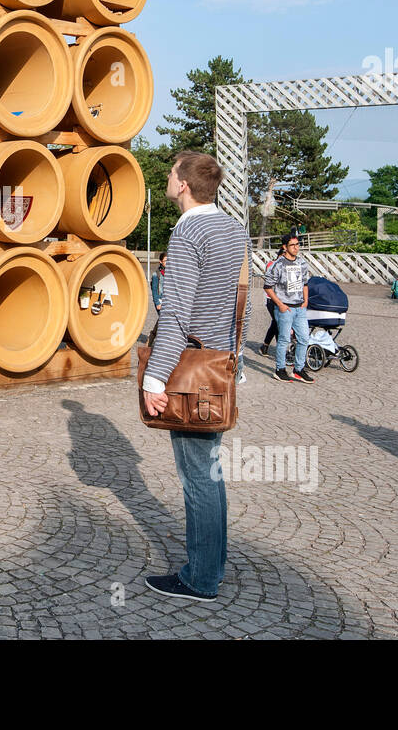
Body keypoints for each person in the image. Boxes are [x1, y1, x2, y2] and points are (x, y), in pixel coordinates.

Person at [142, 151, 250, 603]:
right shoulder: (234, 228)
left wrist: (154, 377)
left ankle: (200, 578)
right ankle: (213, 564)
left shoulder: (188, 231)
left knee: (198, 478)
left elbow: (177, 312)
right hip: (217, 362)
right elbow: (239, 299)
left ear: (183, 184)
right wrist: (235, 362)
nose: (168, 179)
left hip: (189, 370)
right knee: (211, 473)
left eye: (170, 174)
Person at [264, 232, 313, 383]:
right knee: (284, 340)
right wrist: (280, 304)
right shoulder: (278, 264)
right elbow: (267, 287)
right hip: (285, 308)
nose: (295, 248)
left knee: (304, 338)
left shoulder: (302, 263)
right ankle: (280, 369)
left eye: (297, 244)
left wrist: (305, 301)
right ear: (285, 247)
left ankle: (298, 369)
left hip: (300, 308)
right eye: (292, 245)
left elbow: (305, 284)